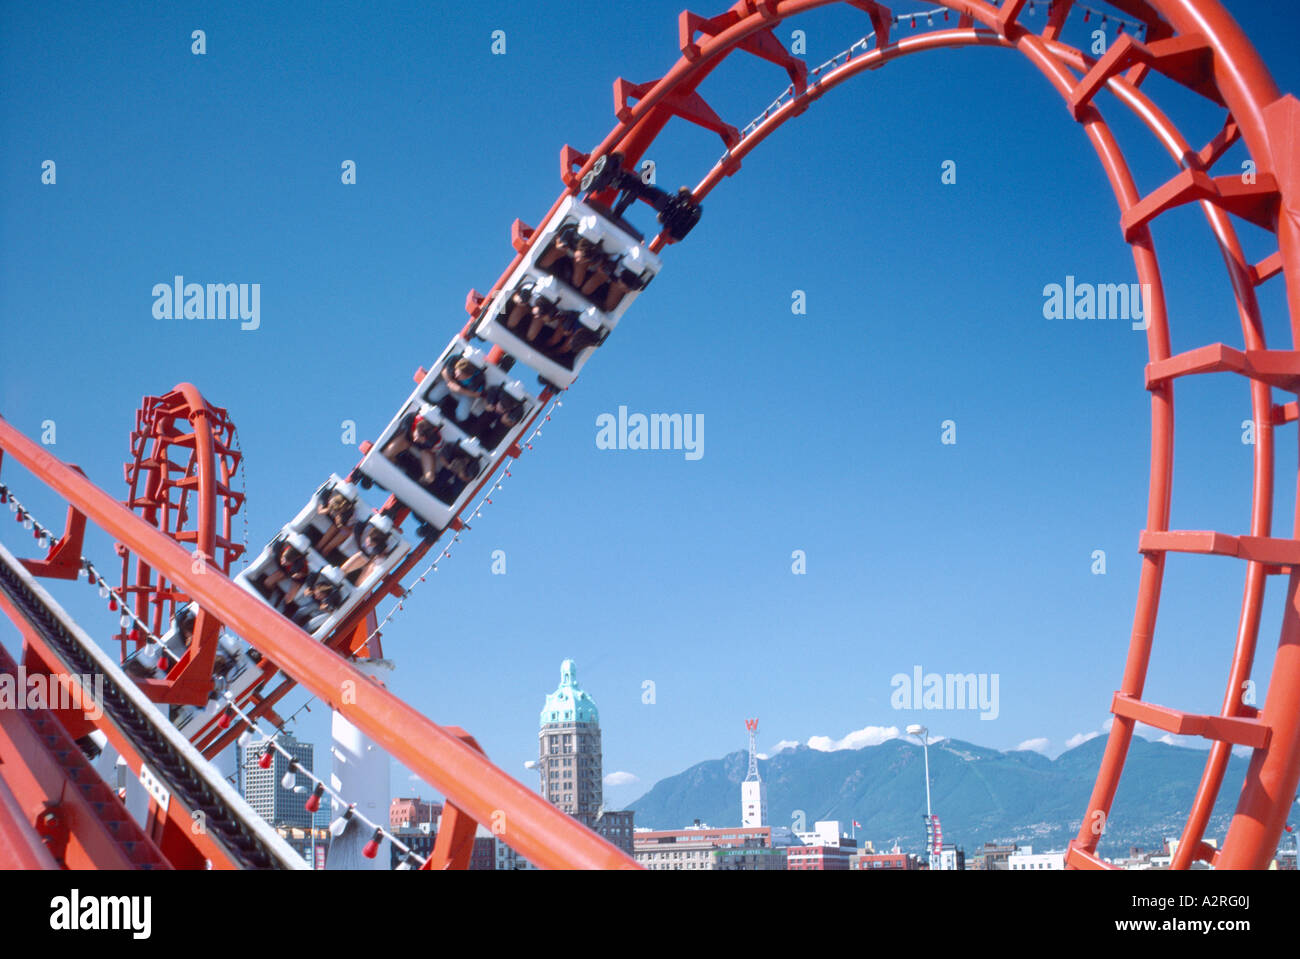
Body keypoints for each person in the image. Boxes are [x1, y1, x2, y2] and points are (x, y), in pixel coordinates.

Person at [383, 412, 443, 485]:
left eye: (419, 439)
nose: (415, 440)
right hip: (406, 439)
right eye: (416, 436)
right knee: (385, 455)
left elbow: (433, 450)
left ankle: (419, 483)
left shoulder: (435, 439)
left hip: (424, 449)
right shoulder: (409, 420)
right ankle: (397, 464)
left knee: (430, 478)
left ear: (424, 439)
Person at [340, 519, 396, 585]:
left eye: (371, 544)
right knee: (343, 570)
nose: (368, 545)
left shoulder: (382, 548)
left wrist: (376, 557)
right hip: (364, 554)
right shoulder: (367, 529)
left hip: (371, 560)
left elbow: (379, 557)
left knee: (359, 581)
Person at [261, 536, 311, 607]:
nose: (282, 563)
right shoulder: (279, 550)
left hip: (297, 576)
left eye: (286, 562)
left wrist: (301, 574)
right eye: (282, 559)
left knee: (288, 598)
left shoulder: (302, 564)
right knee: (267, 582)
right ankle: (275, 595)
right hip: (285, 571)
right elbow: (277, 542)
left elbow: (307, 574)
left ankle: (280, 607)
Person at [292, 567, 344, 632]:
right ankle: (290, 624)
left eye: (318, 596)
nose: (316, 597)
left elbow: (334, 611)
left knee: (310, 625)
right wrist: (309, 588)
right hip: (319, 603)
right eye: (316, 595)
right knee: (301, 611)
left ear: (325, 595)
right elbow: (311, 576)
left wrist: (326, 609)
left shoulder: (333, 598)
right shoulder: (319, 584)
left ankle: (302, 632)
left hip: (328, 611)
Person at [439, 356, 486, 422]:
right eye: (456, 372)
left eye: (458, 376)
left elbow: (478, 394)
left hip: (466, 392)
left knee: (461, 416)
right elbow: (444, 371)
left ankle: (455, 421)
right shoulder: (455, 362)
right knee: (433, 396)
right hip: (451, 383)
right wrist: (452, 382)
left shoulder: (479, 379)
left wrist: (460, 390)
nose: (456, 376)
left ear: (467, 375)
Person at [314, 489, 356, 558]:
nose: (331, 513)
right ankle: (318, 547)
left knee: (327, 548)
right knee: (334, 527)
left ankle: (325, 551)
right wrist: (322, 507)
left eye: (334, 512)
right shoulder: (333, 501)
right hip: (338, 524)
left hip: (345, 529)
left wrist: (340, 525)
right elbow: (321, 511)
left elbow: (349, 532)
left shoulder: (351, 514)